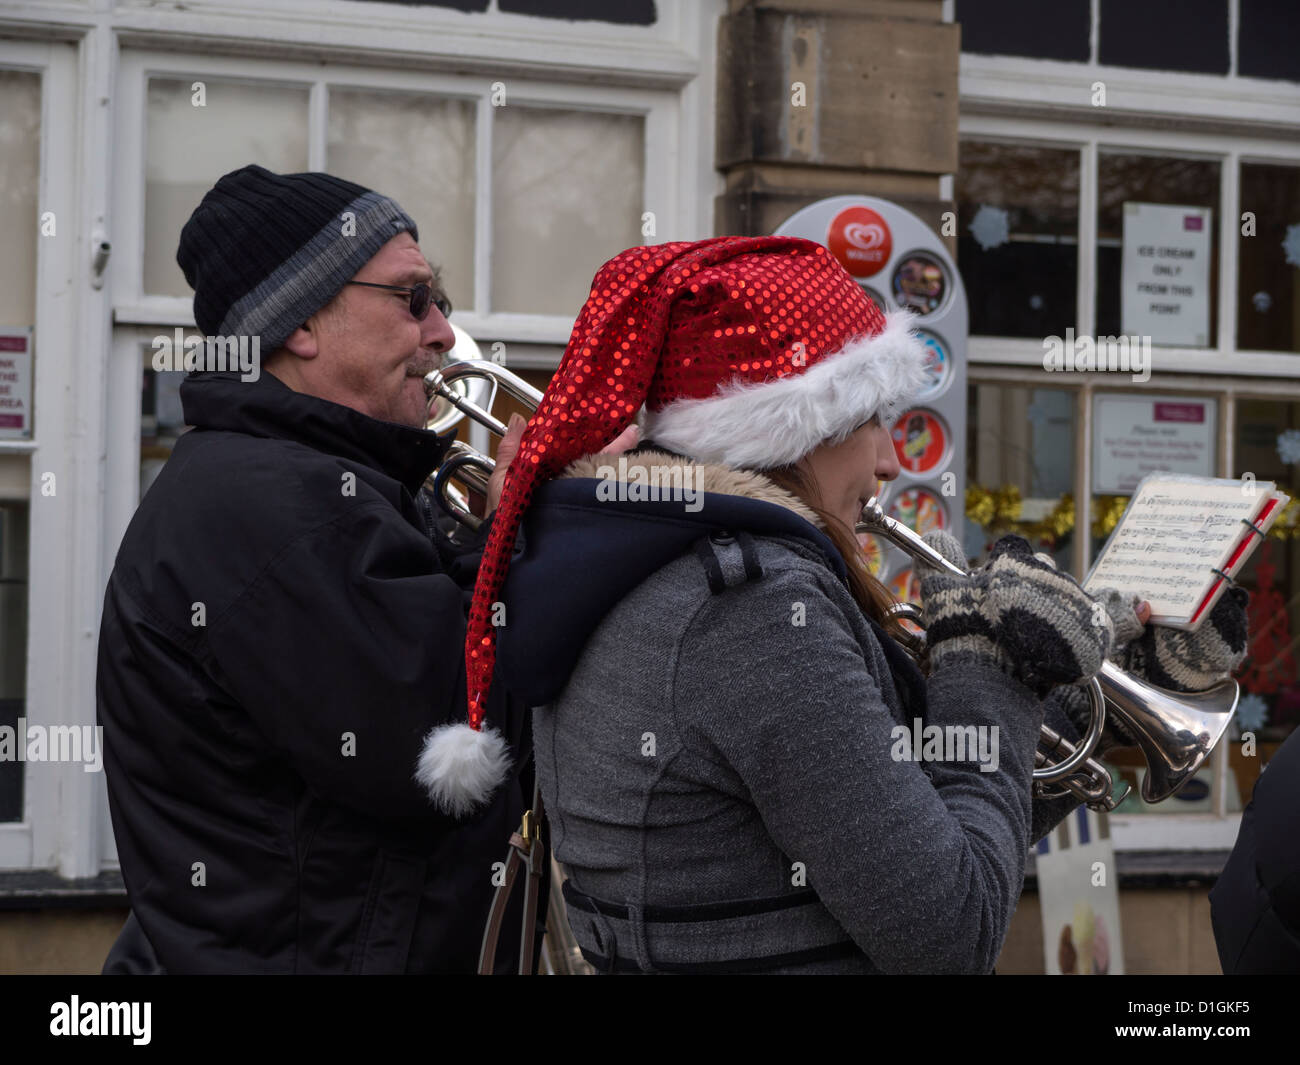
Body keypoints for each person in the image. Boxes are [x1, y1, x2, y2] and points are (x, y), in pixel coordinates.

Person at [97, 164, 536, 973]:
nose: (441, 330)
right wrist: (526, 526)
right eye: (413, 298)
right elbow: (449, 736)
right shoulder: (274, 505)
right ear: (300, 323)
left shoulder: (322, 481)